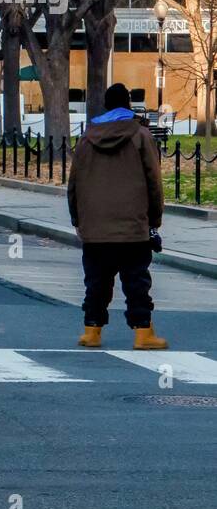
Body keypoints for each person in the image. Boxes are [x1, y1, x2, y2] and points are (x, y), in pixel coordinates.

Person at [67, 83, 167, 350]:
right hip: (133, 226)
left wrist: (78, 220)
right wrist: (154, 220)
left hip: (95, 227)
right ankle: (143, 334)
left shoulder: (87, 138)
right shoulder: (141, 136)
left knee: (96, 281)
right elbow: (153, 183)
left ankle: (92, 331)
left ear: (106, 106)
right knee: (136, 281)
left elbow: (74, 183)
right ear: (128, 105)